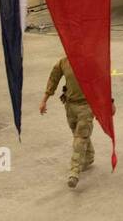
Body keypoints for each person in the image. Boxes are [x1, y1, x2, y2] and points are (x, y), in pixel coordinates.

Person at [40, 56, 100, 189]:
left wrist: (109, 103)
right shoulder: (64, 62)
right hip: (70, 105)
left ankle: (74, 172)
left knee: (80, 138)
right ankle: (89, 156)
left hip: (86, 106)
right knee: (79, 135)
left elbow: (102, 82)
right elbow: (53, 79)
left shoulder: (90, 61)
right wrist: (44, 100)